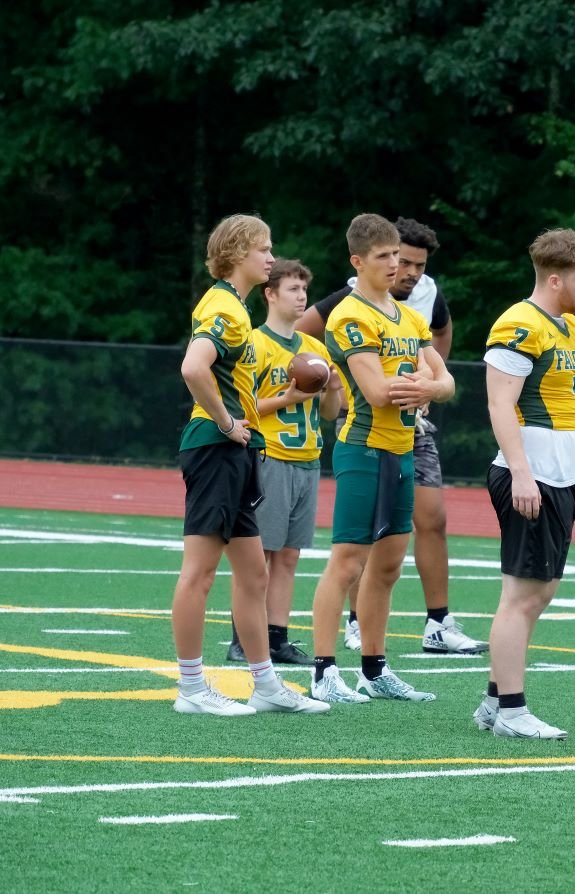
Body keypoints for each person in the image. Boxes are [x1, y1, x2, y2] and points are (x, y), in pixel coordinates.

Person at [297, 217, 484, 655]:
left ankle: (377, 665)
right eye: (389, 257)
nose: (401, 267)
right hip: (365, 442)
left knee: (390, 564)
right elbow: (381, 392)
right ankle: (325, 667)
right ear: (360, 261)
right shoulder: (348, 310)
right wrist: (337, 384)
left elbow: (446, 378)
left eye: (402, 258)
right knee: (348, 561)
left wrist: (430, 386)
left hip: (405, 441)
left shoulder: (409, 313)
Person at [171, 214, 327, 716]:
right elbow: (193, 367)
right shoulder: (225, 307)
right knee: (199, 573)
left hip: (237, 451)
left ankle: (265, 684)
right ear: (239, 252)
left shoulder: (232, 305)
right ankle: (192, 688)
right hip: (216, 447)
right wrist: (226, 422)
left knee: (254, 573)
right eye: (264, 248)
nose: (270, 257)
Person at [473, 228, 575, 739]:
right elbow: (499, 403)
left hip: (564, 470)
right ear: (554, 279)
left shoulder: (574, 327)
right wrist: (522, 474)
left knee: (540, 591)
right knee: (523, 594)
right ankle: (511, 710)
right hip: (532, 469)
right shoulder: (519, 323)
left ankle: (494, 703)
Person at [224, 259, 343, 666]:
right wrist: (286, 400)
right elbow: (239, 407)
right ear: (270, 294)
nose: (301, 297)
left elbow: (330, 413)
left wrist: (333, 387)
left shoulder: (317, 349)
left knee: (289, 556)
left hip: (308, 458)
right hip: (268, 455)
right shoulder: (253, 344)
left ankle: (276, 637)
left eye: (304, 290)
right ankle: (242, 637)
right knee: (259, 554)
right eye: (292, 289)